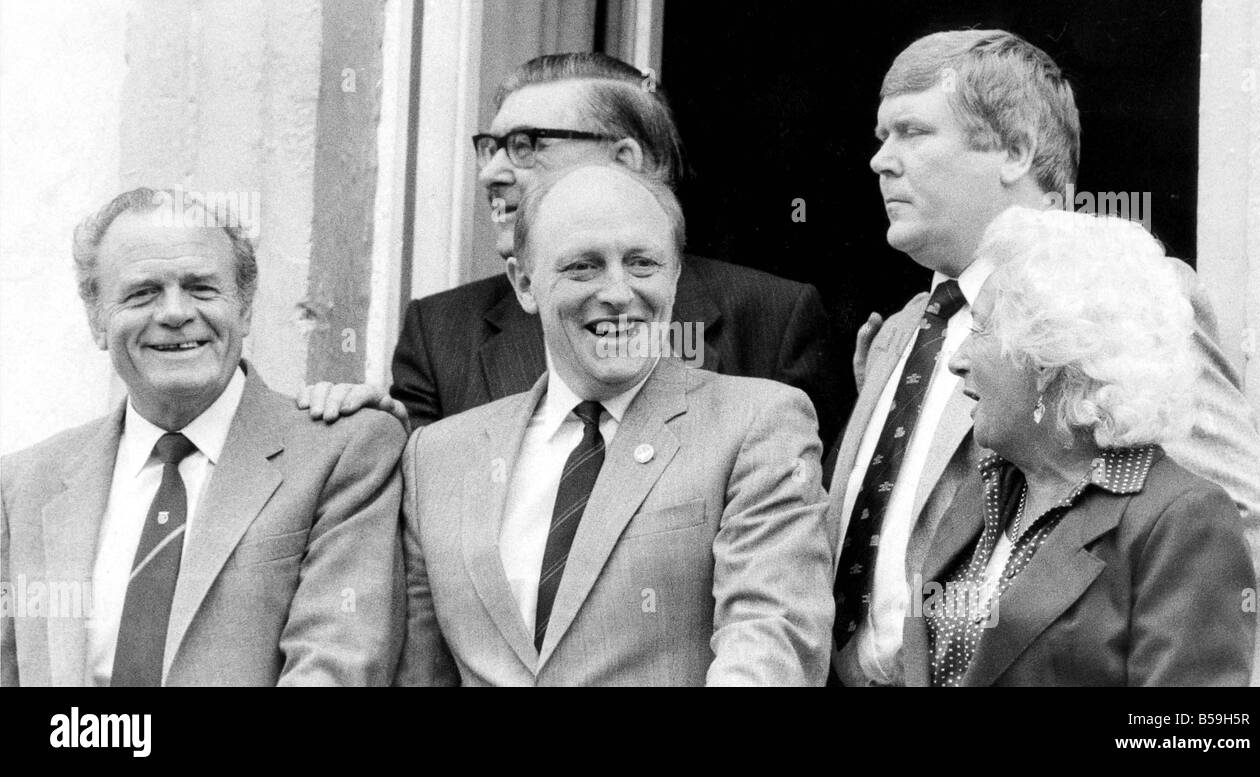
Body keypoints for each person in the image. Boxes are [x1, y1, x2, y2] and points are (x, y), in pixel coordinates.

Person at [827, 29, 1260, 686]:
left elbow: (1242, 522)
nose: (881, 159)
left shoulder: (1124, 305)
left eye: (912, 132)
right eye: (881, 135)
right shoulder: (907, 328)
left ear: (1015, 150)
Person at [396, 163, 834, 686]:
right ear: (524, 284)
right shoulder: (437, 456)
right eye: (583, 267)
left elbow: (772, 640)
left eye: (643, 263)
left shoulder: (758, 424)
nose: (619, 292)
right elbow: (419, 672)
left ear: (675, 276)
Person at [301, 52, 852, 447]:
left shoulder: (770, 319)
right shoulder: (443, 331)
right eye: (490, 149)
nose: (493, 173)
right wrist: (375, 440)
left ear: (625, 158)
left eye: (526, 145)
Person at [0, 188, 406, 686]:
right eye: (142, 292)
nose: (174, 312)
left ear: (246, 308)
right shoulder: (23, 486)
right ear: (96, 320)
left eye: (201, 288)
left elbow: (335, 669)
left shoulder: (343, 452)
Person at [901, 206, 1254, 686]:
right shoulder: (988, 484)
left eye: (981, 328)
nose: (957, 360)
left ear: (1046, 358)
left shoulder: (1182, 518)